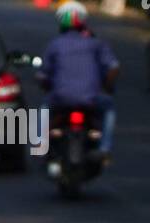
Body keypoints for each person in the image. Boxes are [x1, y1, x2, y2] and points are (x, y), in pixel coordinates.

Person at [41, 1, 119, 159]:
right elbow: (113, 67)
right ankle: (105, 148)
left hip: (60, 98)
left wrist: (46, 84)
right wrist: (108, 86)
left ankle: (40, 143)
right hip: (91, 99)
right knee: (109, 107)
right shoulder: (95, 43)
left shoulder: (55, 44)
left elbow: (43, 74)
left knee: (44, 107)